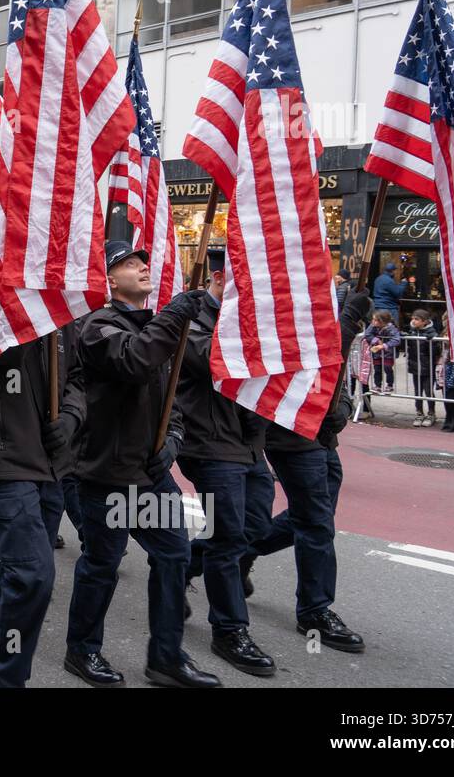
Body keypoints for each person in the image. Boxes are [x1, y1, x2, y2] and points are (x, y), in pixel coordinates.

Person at [67, 241, 217, 689]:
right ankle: (83, 650)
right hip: (107, 474)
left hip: (150, 474)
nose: (142, 268)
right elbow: (134, 360)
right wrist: (174, 315)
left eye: (142, 262)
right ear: (110, 280)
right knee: (102, 564)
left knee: (174, 554)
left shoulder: (155, 326)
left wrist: (172, 438)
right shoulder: (96, 327)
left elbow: (168, 393)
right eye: (129, 264)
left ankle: (166, 657)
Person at [0, 285, 79, 687]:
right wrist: (37, 306)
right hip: (3, 459)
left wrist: (71, 419)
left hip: (50, 463)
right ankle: (7, 679)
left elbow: (78, 377)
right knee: (34, 574)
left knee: (21, 577)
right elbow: (4, 348)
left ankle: (2, 672)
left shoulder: (60, 314)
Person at [249, 289, 372, 652]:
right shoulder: (282, 313)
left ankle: (235, 551)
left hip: (322, 435)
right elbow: (306, 362)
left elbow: (333, 377)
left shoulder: (322, 308)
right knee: (316, 521)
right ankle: (315, 611)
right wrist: (346, 324)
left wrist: (342, 408)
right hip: (290, 433)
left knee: (310, 518)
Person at [175, 249, 276, 677]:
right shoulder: (194, 318)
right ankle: (229, 629)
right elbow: (213, 361)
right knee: (229, 537)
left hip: (249, 440)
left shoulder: (250, 321)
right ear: (220, 279)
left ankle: (180, 568)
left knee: (254, 527)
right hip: (211, 444)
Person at [404, 308, 438, 427]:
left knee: (428, 391)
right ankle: (419, 413)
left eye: (417, 319)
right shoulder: (412, 331)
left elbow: (435, 350)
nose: (413, 321)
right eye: (412, 318)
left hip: (427, 367)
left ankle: (431, 413)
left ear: (425, 321)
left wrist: (432, 340)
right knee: (417, 392)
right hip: (415, 366)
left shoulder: (431, 332)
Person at [363, 310, 400, 394]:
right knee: (377, 369)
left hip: (388, 353)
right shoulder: (373, 326)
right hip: (376, 353)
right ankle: (377, 386)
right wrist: (376, 340)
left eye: (375, 320)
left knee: (387, 368)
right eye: (373, 319)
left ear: (382, 322)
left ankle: (390, 385)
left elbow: (396, 340)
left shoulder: (391, 328)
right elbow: (367, 334)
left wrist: (384, 345)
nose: (373, 321)